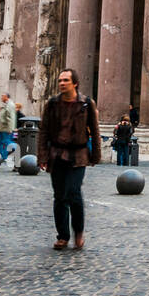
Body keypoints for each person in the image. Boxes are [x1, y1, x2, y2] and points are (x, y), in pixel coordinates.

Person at [39, 68, 101, 251]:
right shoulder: (52, 104)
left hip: (78, 155)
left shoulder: (86, 104)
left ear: (75, 84)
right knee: (59, 197)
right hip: (57, 154)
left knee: (73, 193)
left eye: (65, 80)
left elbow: (95, 131)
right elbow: (43, 131)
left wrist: (96, 155)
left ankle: (78, 232)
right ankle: (63, 236)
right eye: (60, 80)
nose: (61, 83)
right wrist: (42, 156)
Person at [0, 92, 16, 158]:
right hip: (1, 128)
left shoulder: (10, 105)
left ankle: (18, 148)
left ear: (6, 97)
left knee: (6, 142)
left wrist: (10, 129)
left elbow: (10, 117)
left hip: (6, 128)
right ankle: (0, 156)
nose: (1, 97)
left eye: (2, 96)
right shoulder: (5, 104)